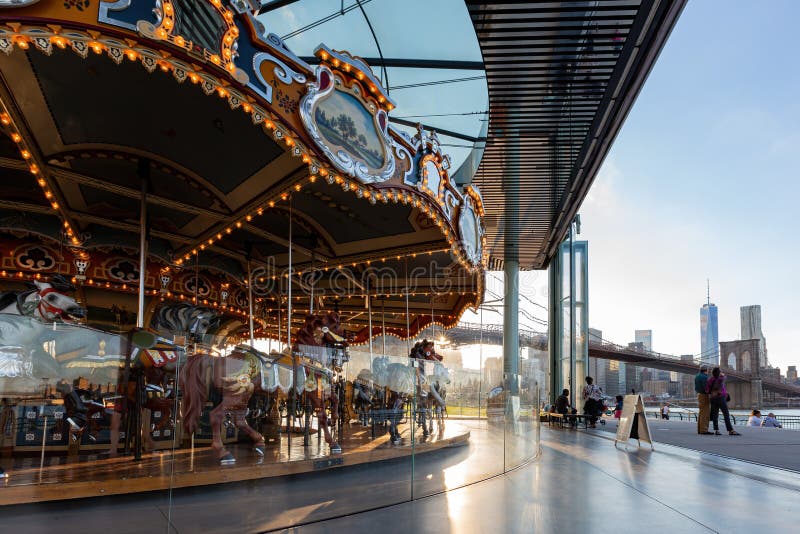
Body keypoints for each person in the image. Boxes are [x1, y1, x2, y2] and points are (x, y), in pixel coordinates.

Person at [706, 367, 740, 436]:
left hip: (712, 398)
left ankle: (716, 430)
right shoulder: (720, 379)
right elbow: (724, 377)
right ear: (719, 373)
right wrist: (722, 375)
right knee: (726, 414)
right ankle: (730, 430)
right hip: (720, 398)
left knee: (715, 415)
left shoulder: (710, 380)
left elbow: (707, 390)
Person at [694, 365, 713, 435]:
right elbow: (706, 388)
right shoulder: (705, 377)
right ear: (706, 370)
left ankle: (700, 429)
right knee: (705, 413)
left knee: (701, 413)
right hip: (704, 395)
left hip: (699, 395)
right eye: (708, 370)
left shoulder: (697, 376)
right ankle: (704, 430)